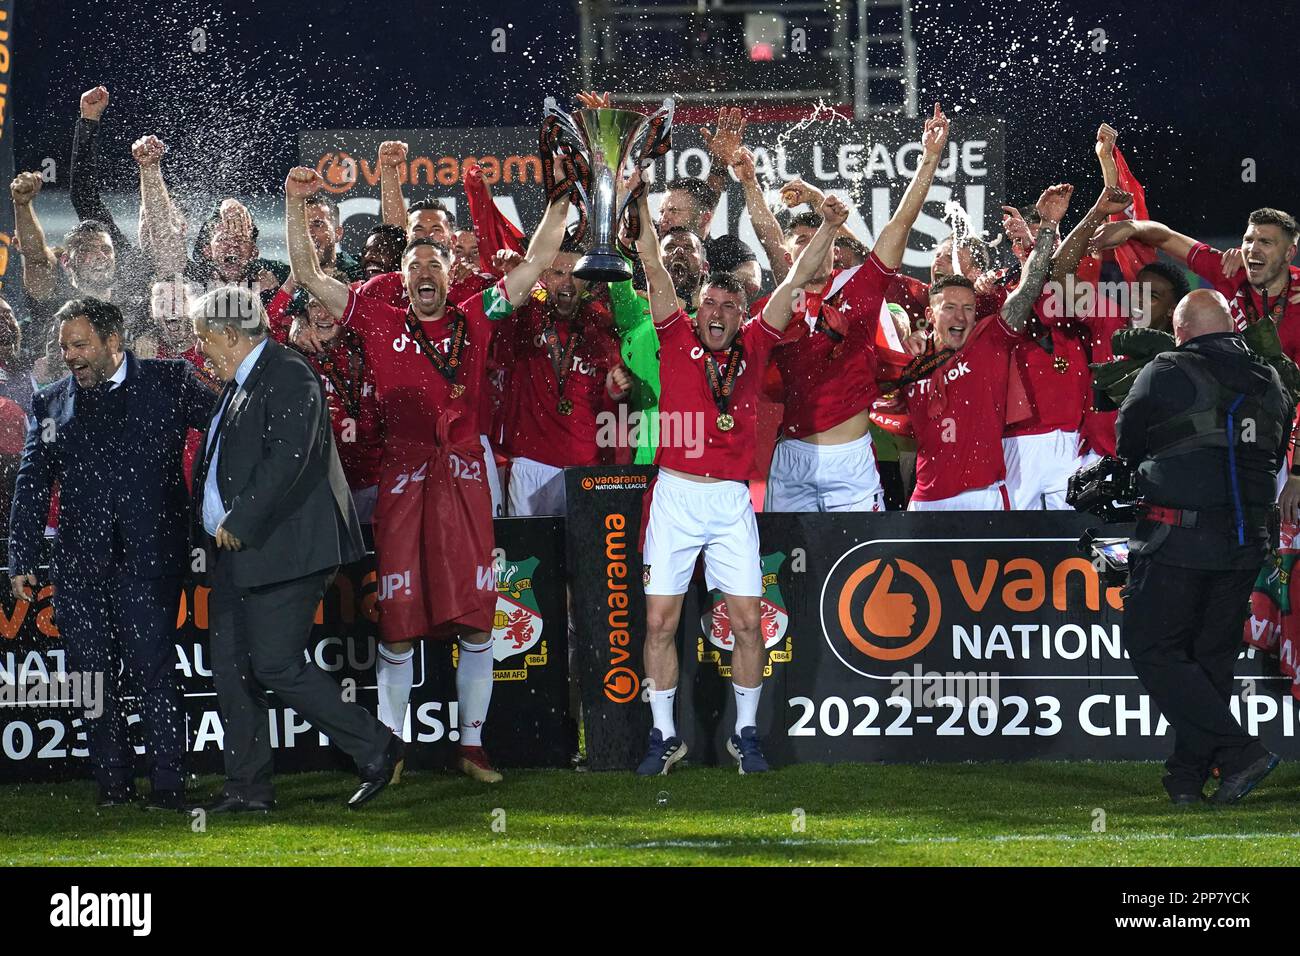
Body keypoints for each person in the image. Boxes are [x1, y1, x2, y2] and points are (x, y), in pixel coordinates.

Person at [286, 160, 571, 783]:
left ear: (449, 276)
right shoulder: (374, 314)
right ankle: (387, 751)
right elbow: (308, 273)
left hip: (466, 476)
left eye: (433, 267)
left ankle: (472, 748)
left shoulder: (477, 313)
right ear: (400, 279)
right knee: (398, 623)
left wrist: (559, 199)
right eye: (413, 268)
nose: (423, 275)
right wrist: (293, 199)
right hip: (404, 476)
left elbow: (533, 265)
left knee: (475, 616)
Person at [633, 176, 849, 776]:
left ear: (739, 313)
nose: (719, 313)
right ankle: (663, 736)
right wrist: (632, 197)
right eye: (710, 305)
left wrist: (830, 226)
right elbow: (651, 259)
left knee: (750, 621)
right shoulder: (674, 335)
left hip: (730, 503)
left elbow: (793, 280)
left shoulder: (756, 344)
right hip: (675, 496)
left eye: (730, 306)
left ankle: (747, 735)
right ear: (696, 309)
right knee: (659, 622)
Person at [190, 285, 398, 811]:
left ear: (231, 335)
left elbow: (289, 454)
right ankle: (247, 789)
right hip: (240, 552)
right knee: (234, 672)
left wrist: (240, 517)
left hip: (286, 548)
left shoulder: (286, 371)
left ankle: (380, 749)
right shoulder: (243, 382)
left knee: (276, 664)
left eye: (205, 339)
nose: (203, 349)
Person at [7, 297, 217, 810]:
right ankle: (113, 787)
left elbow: (227, 428)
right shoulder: (52, 403)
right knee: (92, 678)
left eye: (80, 345)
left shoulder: (171, 382)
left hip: (151, 561)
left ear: (113, 341)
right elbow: (33, 482)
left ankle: (169, 786)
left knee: (154, 671)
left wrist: (214, 509)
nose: (71, 356)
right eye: (64, 348)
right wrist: (23, 557)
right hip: (79, 566)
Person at [1116, 289, 1292, 804]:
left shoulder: (1166, 367)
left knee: (1154, 647)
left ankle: (1240, 753)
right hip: (1247, 542)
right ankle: (1187, 780)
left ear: (1181, 330)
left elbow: (1128, 443)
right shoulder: (1272, 378)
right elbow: (1273, 451)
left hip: (1178, 538)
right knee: (1210, 659)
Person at [759, 103, 950, 513]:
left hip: (850, 463)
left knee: (860, 574)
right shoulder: (777, 308)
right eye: (805, 243)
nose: (818, 248)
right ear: (790, 256)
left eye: (825, 241)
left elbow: (898, 225)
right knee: (781, 572)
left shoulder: (859, 292)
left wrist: (929, 159)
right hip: (789, 458)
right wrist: (746, 180)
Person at [901, 185, 1069, 510]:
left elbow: (1033, 283)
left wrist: (1046, 229)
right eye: (949, 307)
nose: (960, 315)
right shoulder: (909, 355)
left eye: (968, 307)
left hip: (989, 489)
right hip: (926, 498)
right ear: (929, 312)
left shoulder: (990, 337)